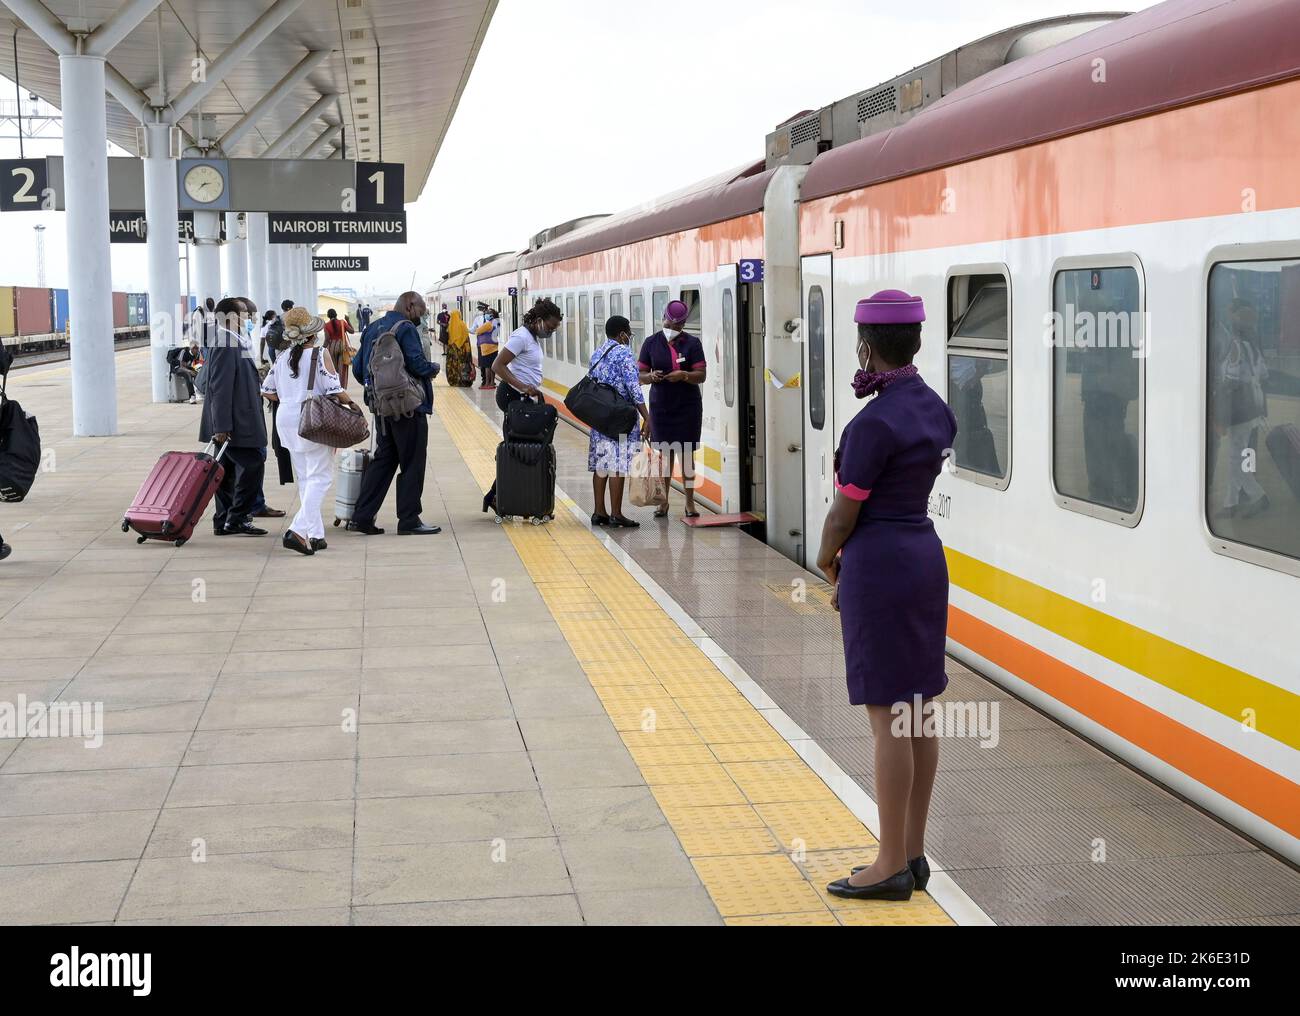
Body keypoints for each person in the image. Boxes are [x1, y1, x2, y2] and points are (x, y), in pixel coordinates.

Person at [816, 290, 957, 903]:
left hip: (879, 565)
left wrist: (826, 558)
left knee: (888, 721)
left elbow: (844, 512)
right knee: (917, 712)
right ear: (916, 342)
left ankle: (889, 863)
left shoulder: (874, 423)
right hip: (923, 559)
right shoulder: (935, 409)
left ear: (866, 346)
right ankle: (914, 853)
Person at [260, 308, 359, 555]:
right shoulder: (319, 353)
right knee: (321, 478)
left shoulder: (282, 356)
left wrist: (289, 399)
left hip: (286, 420)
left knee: (306, 477)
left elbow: (267, 390)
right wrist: (352, 404)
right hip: (313, 420)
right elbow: (334, 389)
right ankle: (297, 530)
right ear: (312, 334)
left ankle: (315, 535)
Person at [349, 291, 442, 536]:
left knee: (384, 460)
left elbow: (358, 369)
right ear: (410, 306)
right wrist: (433, 368)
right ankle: (409, 519)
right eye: (421, 312)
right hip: (408, 408)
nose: (421, 318)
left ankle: (362, 517)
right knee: (412, 462)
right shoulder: (406, 328)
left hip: (382, 409)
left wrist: (381, 390)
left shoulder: (373, 327)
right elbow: (417, 363)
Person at [198, 297, 270, 537]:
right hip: (236, 423)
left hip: (236, 419)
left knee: (226, 471)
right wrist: (221, 426)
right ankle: (238, 518)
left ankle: (223, 520)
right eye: (244, 314)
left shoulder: (235, 340)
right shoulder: (226, 343)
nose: (248, 318)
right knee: (253, 464)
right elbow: (220, 387)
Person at [482, 298, 562, 514]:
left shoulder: (531, 337)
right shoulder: (521, 337)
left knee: (522, 447)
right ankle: (498, 496)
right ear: (539, 320)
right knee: (519, 447)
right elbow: (497, 365)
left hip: (521, 397)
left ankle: (501, 496)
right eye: (550, 327)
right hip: (512, 396)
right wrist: (523, 386)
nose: (551, 332)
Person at [638, 299, 706, 518]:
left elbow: (701, 375)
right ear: (663, 319)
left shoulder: (692, 344)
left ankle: (690, 503)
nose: (672, 328)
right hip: (662, 406)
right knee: (665, 456)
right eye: (669, 324)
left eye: (677, 326)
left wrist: (684, 375)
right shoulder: (651, 343)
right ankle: (663, 501)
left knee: (686, 456)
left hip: (687, 406)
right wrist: (651, 376)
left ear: (683, 325)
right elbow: (639, 375)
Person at [589, 315, 651, 528]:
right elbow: (633, 387)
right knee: (618, 464)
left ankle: (599, 512)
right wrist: (647, 416)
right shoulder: (624, 352)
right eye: (629, 332)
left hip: (599, 415)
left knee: (601, 464)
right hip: (620, 417)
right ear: (622, 334)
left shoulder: (598, 352)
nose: (629, 336)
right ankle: (616, 514)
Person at [322, 308, 356, 389]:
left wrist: (322, 349)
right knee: (342, 369)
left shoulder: (326, 325)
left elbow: (327, 339)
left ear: (328, 316)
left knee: (332, 369)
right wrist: (348, 320)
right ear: (336, 315)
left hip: (331, 348)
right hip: (342, 347)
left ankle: (333, 386)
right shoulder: (342, 322)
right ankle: (341, 387)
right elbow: (352, 331)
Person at [445, 308, 475, 387]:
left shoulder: (450, 325)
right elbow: (466, 339)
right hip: (462, 350)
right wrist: (468, 352)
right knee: (462, 364)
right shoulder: (462, 325)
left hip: (452, 349)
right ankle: (463, 380)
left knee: (453, 365)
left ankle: (453, 380)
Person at [478, 309, 501, 389]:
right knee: (492, 366)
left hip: (487, 348)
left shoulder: (488, 324)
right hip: (494, 347)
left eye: (488, 313)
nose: (486, 314)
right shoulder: (497, 322)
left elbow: (478, 331)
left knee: (487, 366)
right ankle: (492, 383)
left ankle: (487, 383)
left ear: (491, 315)